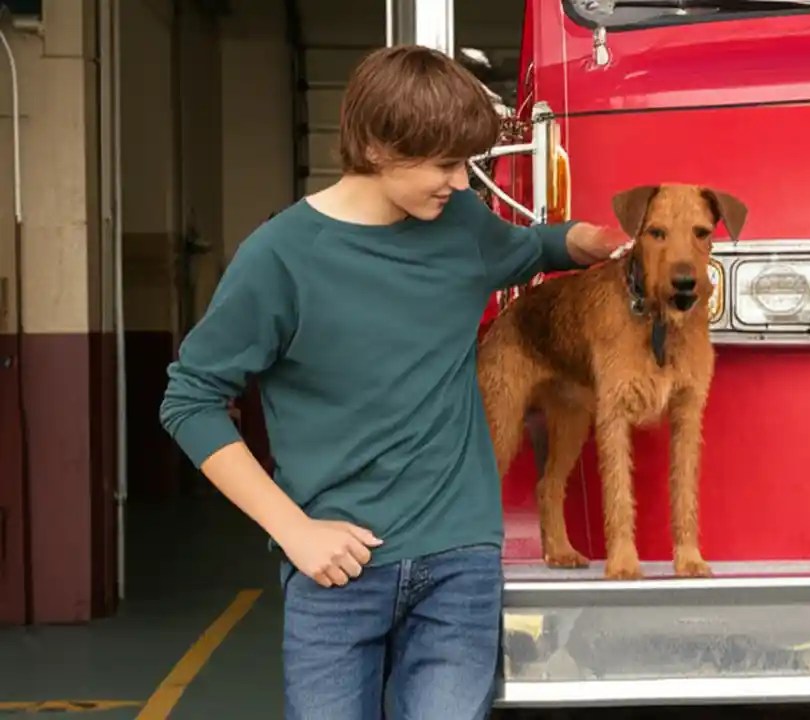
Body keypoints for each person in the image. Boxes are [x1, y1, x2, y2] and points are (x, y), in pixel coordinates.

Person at [158, 45, 629, 719]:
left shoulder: (460, 225)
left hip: (460, 559)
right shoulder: (280, 259)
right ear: (378, 146)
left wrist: (585, 240)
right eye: (444, 164)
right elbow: (190, 400)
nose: (461, 184)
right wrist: (294, 531)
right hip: (335, 568)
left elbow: (530, 248)